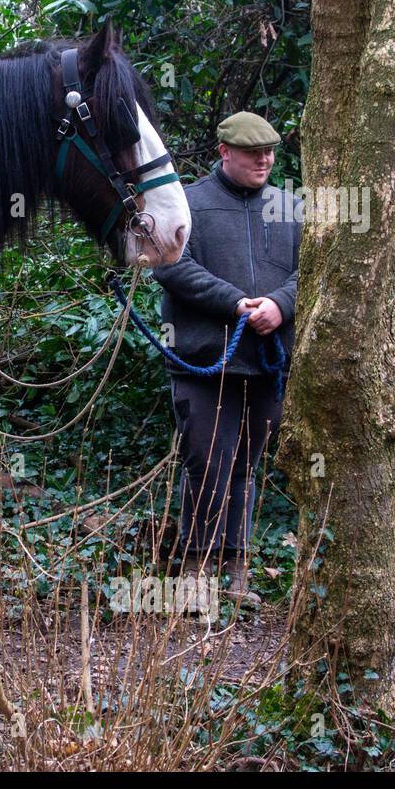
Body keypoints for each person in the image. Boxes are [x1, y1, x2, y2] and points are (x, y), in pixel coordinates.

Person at [151, 111, 303, 608]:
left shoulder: (290, 207)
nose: (264, 159)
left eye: (270, 151)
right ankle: (195, 575)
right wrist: (237, 303)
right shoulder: (187, 204)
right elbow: (172, 269)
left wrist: (279, 305)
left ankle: (236, 574)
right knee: (205, 462)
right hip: (203, 361)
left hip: (265, 364)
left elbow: (316, 271)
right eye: (252, 152)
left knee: (244, 466)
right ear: (224, 152)